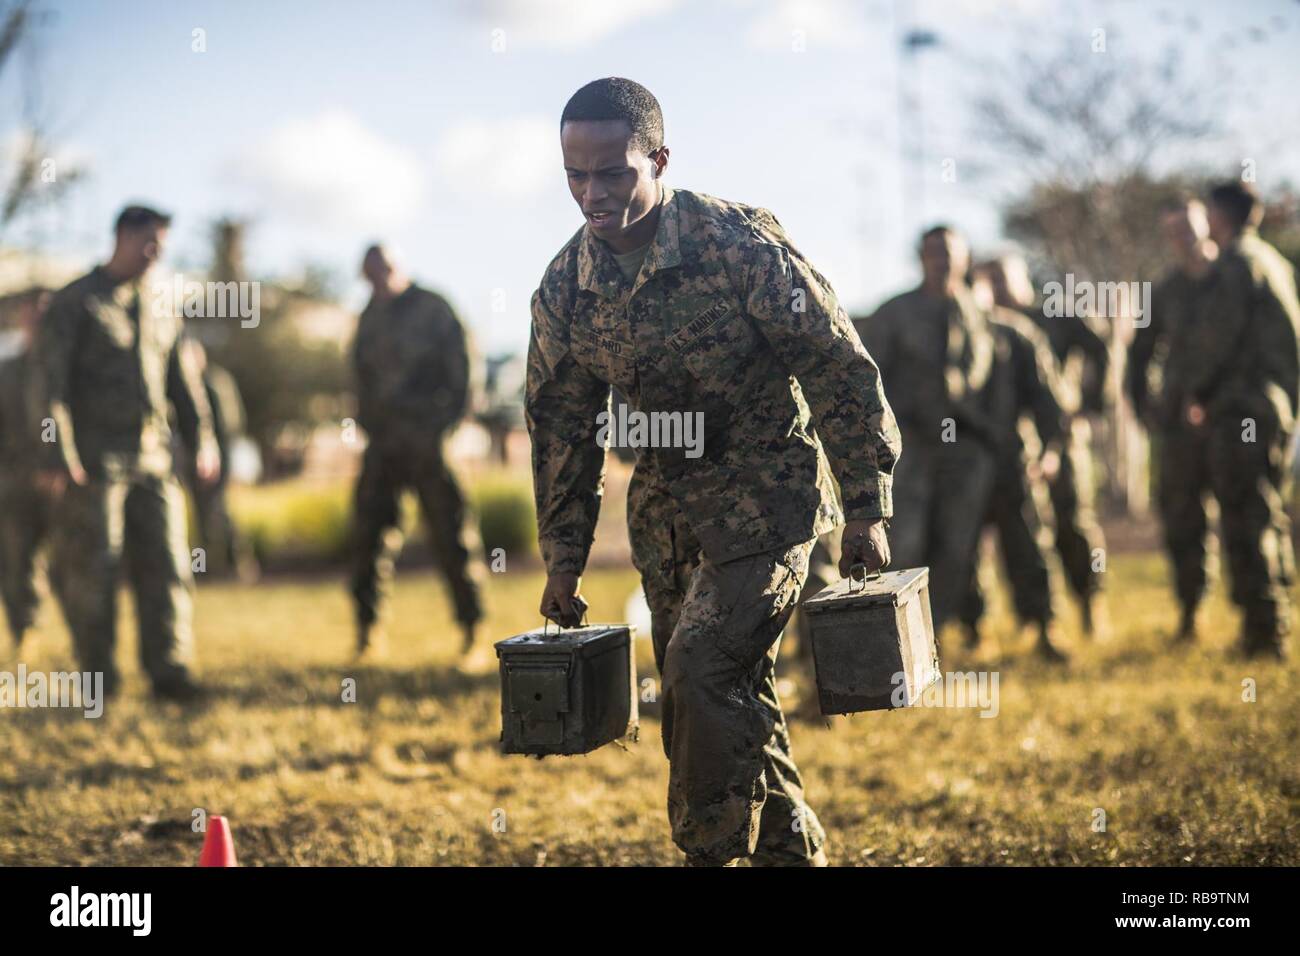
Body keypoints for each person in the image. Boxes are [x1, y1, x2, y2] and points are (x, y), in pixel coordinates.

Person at [527, 77, 899, 866]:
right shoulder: (566, 287)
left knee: (699, 673)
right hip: (666, 515)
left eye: (613, 173)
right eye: (574, 174)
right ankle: (788, 846)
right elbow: (561, 428)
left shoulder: (737, 246)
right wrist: (563, 559)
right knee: (725, 691)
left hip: (771, 500)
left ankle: (711, 854)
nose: (591, 193)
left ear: (659, 159)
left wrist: (866, 503)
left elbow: (835, 363)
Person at [33, 205, 220, 700]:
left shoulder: (161, 306)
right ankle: (99, 680)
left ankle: (171, 673)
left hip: (155, 462)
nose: (158, 254)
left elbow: (185, 384)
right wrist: (56, 453)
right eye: (151, 242)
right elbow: (49, 388)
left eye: (163, 245)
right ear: (123, 236)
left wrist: (203, 439)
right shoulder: (76, 303)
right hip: (94, 465)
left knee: (170, 566)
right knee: (95, 573)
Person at [1144, 182, 1299, 658]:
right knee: (1260, 513)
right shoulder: (1270, 259)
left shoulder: (1238, 265)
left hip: (1244, 408)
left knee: (1246, 520)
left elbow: (1220, 340)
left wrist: (1198, 394)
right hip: (1269, 404)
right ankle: (1269, 622)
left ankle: (1264, 634)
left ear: (1219, 216)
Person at [348, 243, 485, 658]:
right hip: (384, 443)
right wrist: (369, 425)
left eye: (385, 271)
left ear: (400, 267)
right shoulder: (368, 318)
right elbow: (359, 378)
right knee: (366, 538)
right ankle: (368, 633)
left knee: (452, 537)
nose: (379, 281)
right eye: (371, 276)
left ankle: (472, 631)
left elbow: (464, 372)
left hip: (428, 442)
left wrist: (443, 429)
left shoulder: (434, 308)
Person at [856, 226, 994, 634]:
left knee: (958, 544)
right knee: (907, 544)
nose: (943, 261)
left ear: (965, 259)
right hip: (910, 446)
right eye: (934, 253)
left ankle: (943, 631)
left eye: (950, 253)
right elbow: (866, 376)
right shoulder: (894, 313)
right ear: (921, 258)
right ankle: (899, 635)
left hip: (964, 448)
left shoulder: (978, 315)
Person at [985, 254, 1109, 636]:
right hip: (1017, 444)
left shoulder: (1055, 316)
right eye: (993, 282)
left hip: (1064, 435)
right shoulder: (990, 330)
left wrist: (1090, 406)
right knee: (1022, 530)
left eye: (1005, 279)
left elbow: (1100, 348)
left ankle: (1091, 600)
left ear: (1023, 280)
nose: (1000, 289)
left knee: (1073, 522)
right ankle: (1034, 616)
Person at [960, 265, 1070, 662]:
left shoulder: (1019, 335)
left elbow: (1048, 400)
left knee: (1029, 545)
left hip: (1014, 461)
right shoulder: (949, 338)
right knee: (964, 551)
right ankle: (976, 629)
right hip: (963, 467)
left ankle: (1044, 626)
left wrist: (1050, 450)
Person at [1126, 197, 1220, 641]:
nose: (1182, 238)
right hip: (1180, 428)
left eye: (1189, 227)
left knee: (1247, 516)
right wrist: (1147, 408)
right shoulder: (1164, 290)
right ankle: (1191, 612)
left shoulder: (1237, 277)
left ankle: (1259, 621)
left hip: (1234, 419)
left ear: (1207, 224)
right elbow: (1139, 353)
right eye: (1173, 231)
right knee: (1182, 518)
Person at [178, 338, 258, 582]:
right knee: (207, 514)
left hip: (214, 457)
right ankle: (211, 567)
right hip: (206, 456)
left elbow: (226, 424)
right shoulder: (213, 381)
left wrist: (212, 453)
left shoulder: (209, 384)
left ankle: (235, 565)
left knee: (215, 512)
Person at [0, 287, 54, 649]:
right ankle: (25, 627)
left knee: (72, 559)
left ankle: (86, 641)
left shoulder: (66, 367)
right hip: (15, 478)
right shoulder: (7, 371)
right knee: (16, 557)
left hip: (66, 478)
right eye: (30, 312)